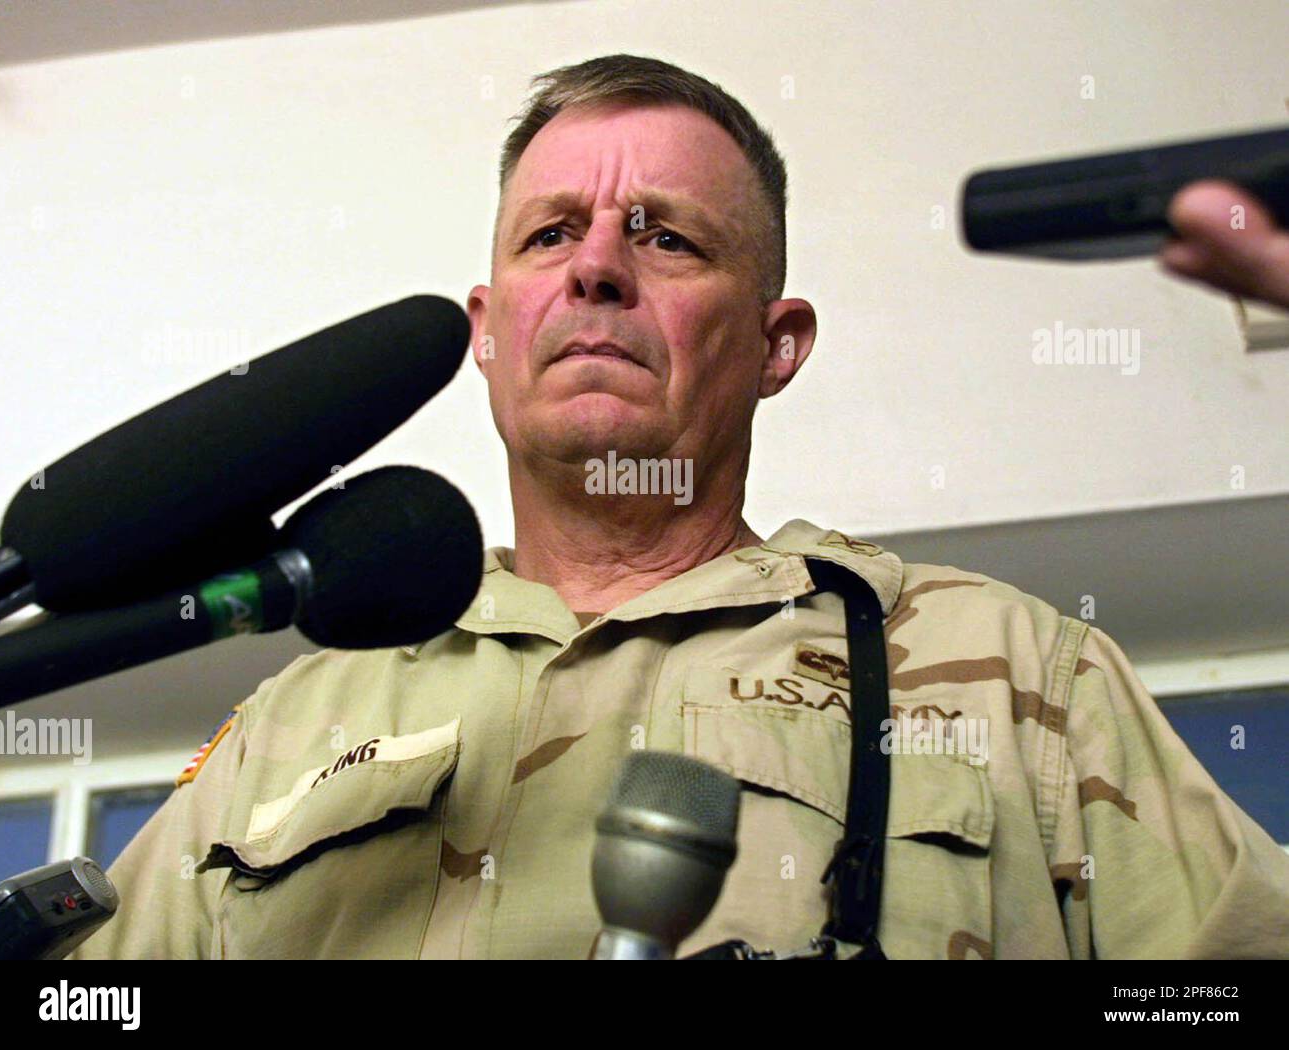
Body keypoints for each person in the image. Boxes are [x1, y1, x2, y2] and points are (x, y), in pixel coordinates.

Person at [73, 53, 1289, 960]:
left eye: (665, 239)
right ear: (487, 335)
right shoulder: (290, 720)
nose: (597, 265)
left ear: (777, 343)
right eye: (551, 234)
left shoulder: (1015, 674)